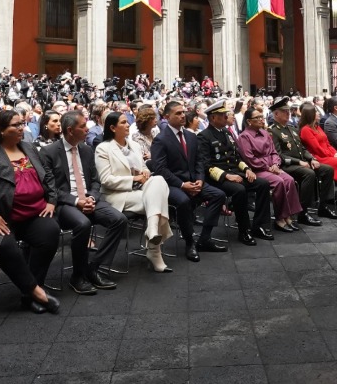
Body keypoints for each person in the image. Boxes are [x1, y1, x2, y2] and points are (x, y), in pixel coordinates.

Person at [0, 110, 63, 313]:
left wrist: (51, 200)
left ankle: (29, 294)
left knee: (50, 232)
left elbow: (47, 175)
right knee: (6, 244)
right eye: (15, 125)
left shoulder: (28, 147)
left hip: (31, 214)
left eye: (21, 124)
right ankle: (37, 292)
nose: (21, 128)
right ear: (0, 130)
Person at [38, 110, 126, 295]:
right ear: (70, 130)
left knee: (119, 220)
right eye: (83, 126)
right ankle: (78, 276)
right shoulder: (49, 152)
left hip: (89, 198)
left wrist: (91, 197)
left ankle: (94, 268)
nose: (88, 129)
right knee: (83, 224)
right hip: (65, 203)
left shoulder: (86, 150)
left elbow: (95, 181)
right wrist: (77, 200)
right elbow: (50, 188)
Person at [94, 110, 173, 271]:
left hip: (142, 190)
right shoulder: (103, 148)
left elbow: (144, 168)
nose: (128, 124)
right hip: (117, 195)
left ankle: (152, 230)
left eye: (127, 121)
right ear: (112, 128)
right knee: (157, 202)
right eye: (123, 122)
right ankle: (154, 250)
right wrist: (134, 179)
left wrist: (145, 172)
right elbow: (106, 180)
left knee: (158, 179)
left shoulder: (134, 145)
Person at [149, 99, 226, 261]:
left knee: (218, 195)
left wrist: (200, 180)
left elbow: (199, 161)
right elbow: (160, 169)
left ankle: (204, 238)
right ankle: (190, 242)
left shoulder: (191, 136)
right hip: (172, 184)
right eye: (178, 113)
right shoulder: (161, 139)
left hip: (193, 181)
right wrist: (182, 184)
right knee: (183, 201)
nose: (183, 116)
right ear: (167, 117)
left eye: (183, 112)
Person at [198, 101, 273, 245]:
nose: (226, 117)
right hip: (218, 178)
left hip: (235, 172)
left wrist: (247, 169)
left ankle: (259, 225)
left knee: (263, 184)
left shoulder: (227, 133)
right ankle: (244, 230)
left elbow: (236, 157)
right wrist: (227, 176)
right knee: (239, 190)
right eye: (222, 115)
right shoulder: (204, 136)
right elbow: (206, 165)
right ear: (213, 118)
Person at [237, 108, 308, 231]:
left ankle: (289, 216)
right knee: (279, 182)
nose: (261, 119)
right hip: (257, 170)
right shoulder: (244, 137)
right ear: (249, 121)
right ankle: (280, 218)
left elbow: (274, 152)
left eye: (262, 117)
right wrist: (268, 167)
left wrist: (275, 164)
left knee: (289, 180)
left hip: (272, 167)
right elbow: (250, 159)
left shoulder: (265, 133)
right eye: (257, 118)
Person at [268, 98, 336, 221]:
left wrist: (312, 159)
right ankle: (302, 212)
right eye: (284, 111)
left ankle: (323, 206)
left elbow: (302, 148)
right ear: (276, 114)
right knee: (309, 174)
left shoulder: (292, 129)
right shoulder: (272, 131)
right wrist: (299, 162)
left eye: (288, 111)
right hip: (286, 165)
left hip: (302, 163)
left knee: (328, 170)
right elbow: (278, 155)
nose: (288, 113)